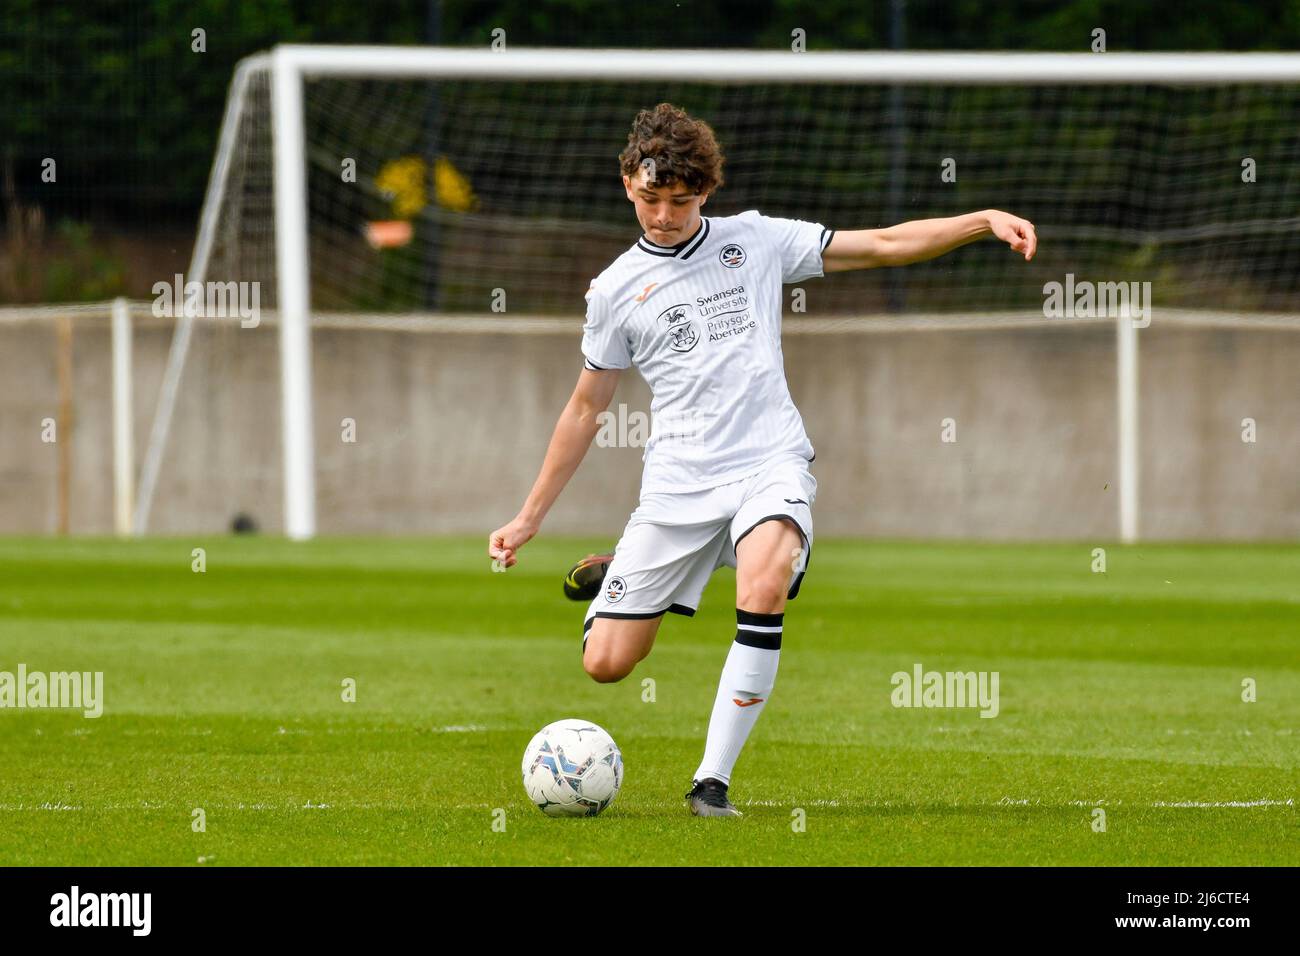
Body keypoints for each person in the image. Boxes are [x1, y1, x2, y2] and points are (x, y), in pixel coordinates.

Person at [489, 102, 1037, 817]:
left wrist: (981, 219)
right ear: (628, 183)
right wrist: (530, 517)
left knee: (767, 578)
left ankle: (710, 783)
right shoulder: (615, 292)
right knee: (607, 666)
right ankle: (622, 571)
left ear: (705, 193)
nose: (663, 215)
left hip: (768, 463)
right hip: (679, 488)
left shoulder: (756, 240)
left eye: (680, 201)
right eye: (651, 199)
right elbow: (586, 409)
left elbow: (883, 245)